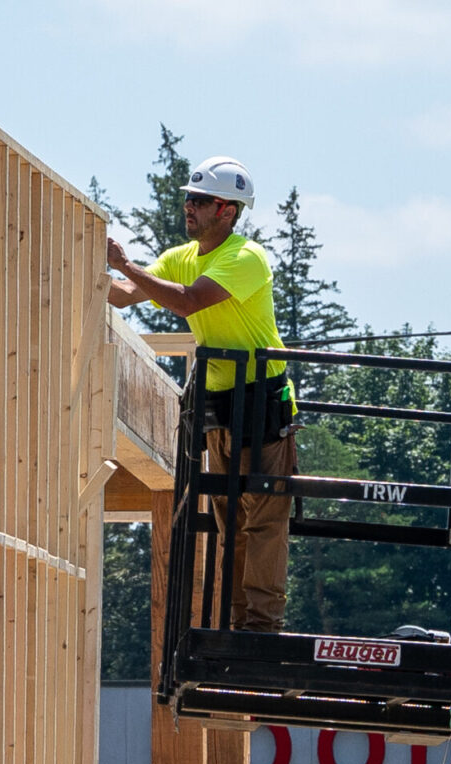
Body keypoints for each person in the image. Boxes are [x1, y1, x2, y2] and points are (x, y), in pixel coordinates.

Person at [106, 155, 296, 633]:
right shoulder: (182, 257)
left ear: (227, 211)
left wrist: (125, 263)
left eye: (200, 200)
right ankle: (238, 622)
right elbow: (125, 293)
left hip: (262, 402)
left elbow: (188, 301)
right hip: (221, 406)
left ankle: (261, 628)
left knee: (264, 519)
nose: (188, 206)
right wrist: (75, 264)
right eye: (188, 198)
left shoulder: (245, 257)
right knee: (231, 521)